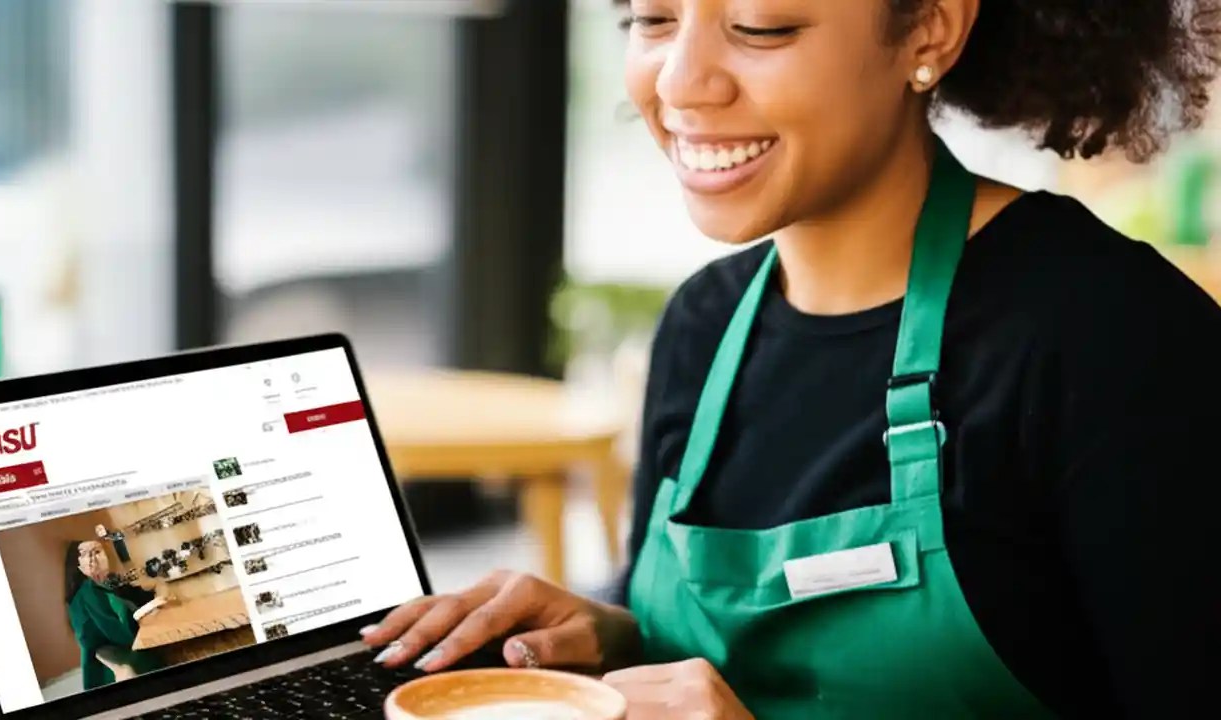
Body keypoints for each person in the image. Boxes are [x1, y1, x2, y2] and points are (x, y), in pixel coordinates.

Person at [361, 1, 1221, 716]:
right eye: (651, 18)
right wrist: (612, 632)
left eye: (761, 27)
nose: (680, 82)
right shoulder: (703, 324)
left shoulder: (1115, 337)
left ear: (929, 30)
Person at [65, 540, 166, 690]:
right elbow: (115, 633)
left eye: (97, 552)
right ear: (78, 566)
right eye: (87, 555)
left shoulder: (107, 583)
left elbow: (137, 596)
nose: (94, 559)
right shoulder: (88, 594)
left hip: (129, 651)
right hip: (115, 662)